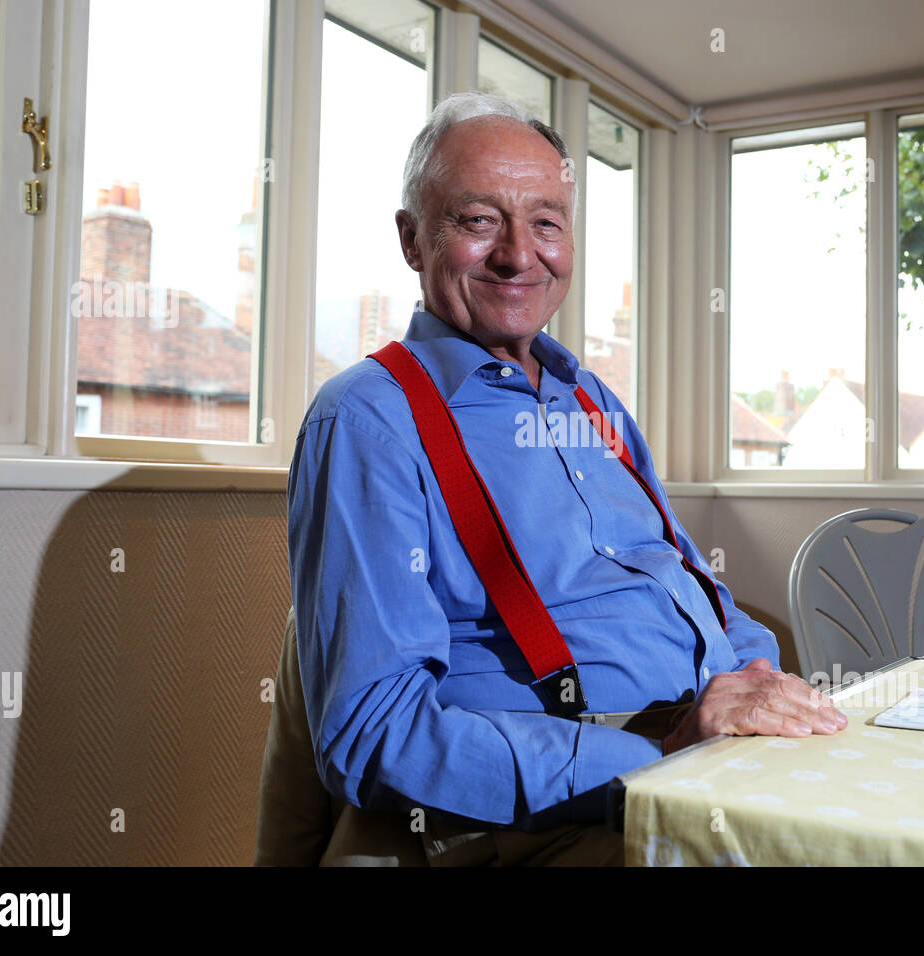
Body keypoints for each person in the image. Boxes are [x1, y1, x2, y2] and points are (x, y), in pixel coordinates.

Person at [286, 91, 846, 865]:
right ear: (413, 240)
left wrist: (758, 683)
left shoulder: (592, 398)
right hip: (551, 816)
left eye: (546, 221)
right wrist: (657, 766)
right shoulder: (368, 421)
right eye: (480, 220)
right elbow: (370, 731)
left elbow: (688, 584)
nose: (521, 253)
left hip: (705, 758)